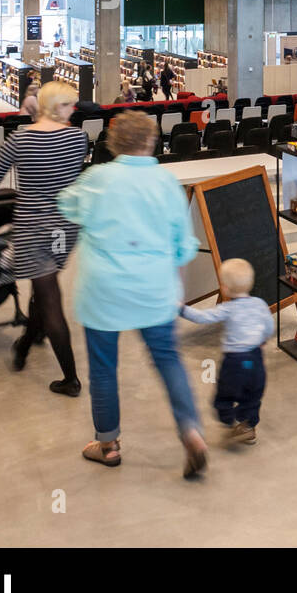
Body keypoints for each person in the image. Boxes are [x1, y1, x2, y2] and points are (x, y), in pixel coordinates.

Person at [57, 110, 208, 477]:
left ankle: (108, 445)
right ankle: (191, 431)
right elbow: (184, 246)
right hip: (154, 289)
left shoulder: (97, 178)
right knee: (168, 360)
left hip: (102, 291)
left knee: (103, 368)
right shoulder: (166, 184)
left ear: (112, 143)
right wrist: (177, 287)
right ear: (153, 141)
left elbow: (67, 206)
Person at [0, 81, 87, 396]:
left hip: (33, 230)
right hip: (64, 229)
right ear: (58, 107)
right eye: (69, 105)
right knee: (45, 286)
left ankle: (70, 379)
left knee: (49, 298)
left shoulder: (20, 139)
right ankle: (26, 343)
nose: (74, 110)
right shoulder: (78, 138)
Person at [178, 258, 273, 446]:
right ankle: (248, 427)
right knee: (253, 395)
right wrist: (262, 339)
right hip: (255, 359)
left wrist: (181, 309)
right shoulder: (260, 304)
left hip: (235, 362)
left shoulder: (228, 309)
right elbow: (269, 326)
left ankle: (230, 421)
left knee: (224, 396)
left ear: (225, 288)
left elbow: (202, 317)